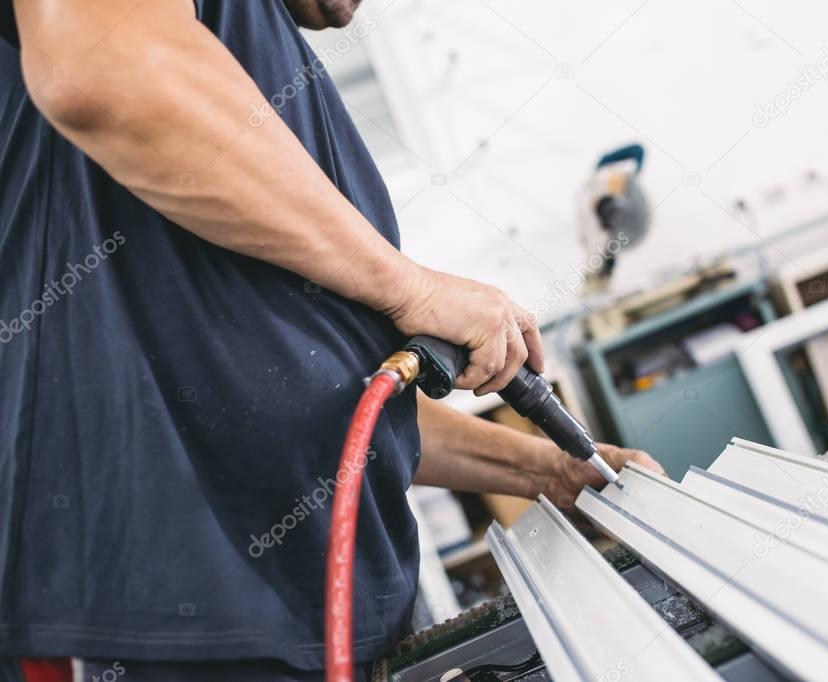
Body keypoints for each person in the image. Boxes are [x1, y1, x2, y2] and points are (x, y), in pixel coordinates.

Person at [0, 1, 663, 680]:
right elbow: (104, 72)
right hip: (154, 621)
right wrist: (413, 289)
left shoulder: (247, 63)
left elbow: (325, 394)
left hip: (306, 624)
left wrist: (542, 472)